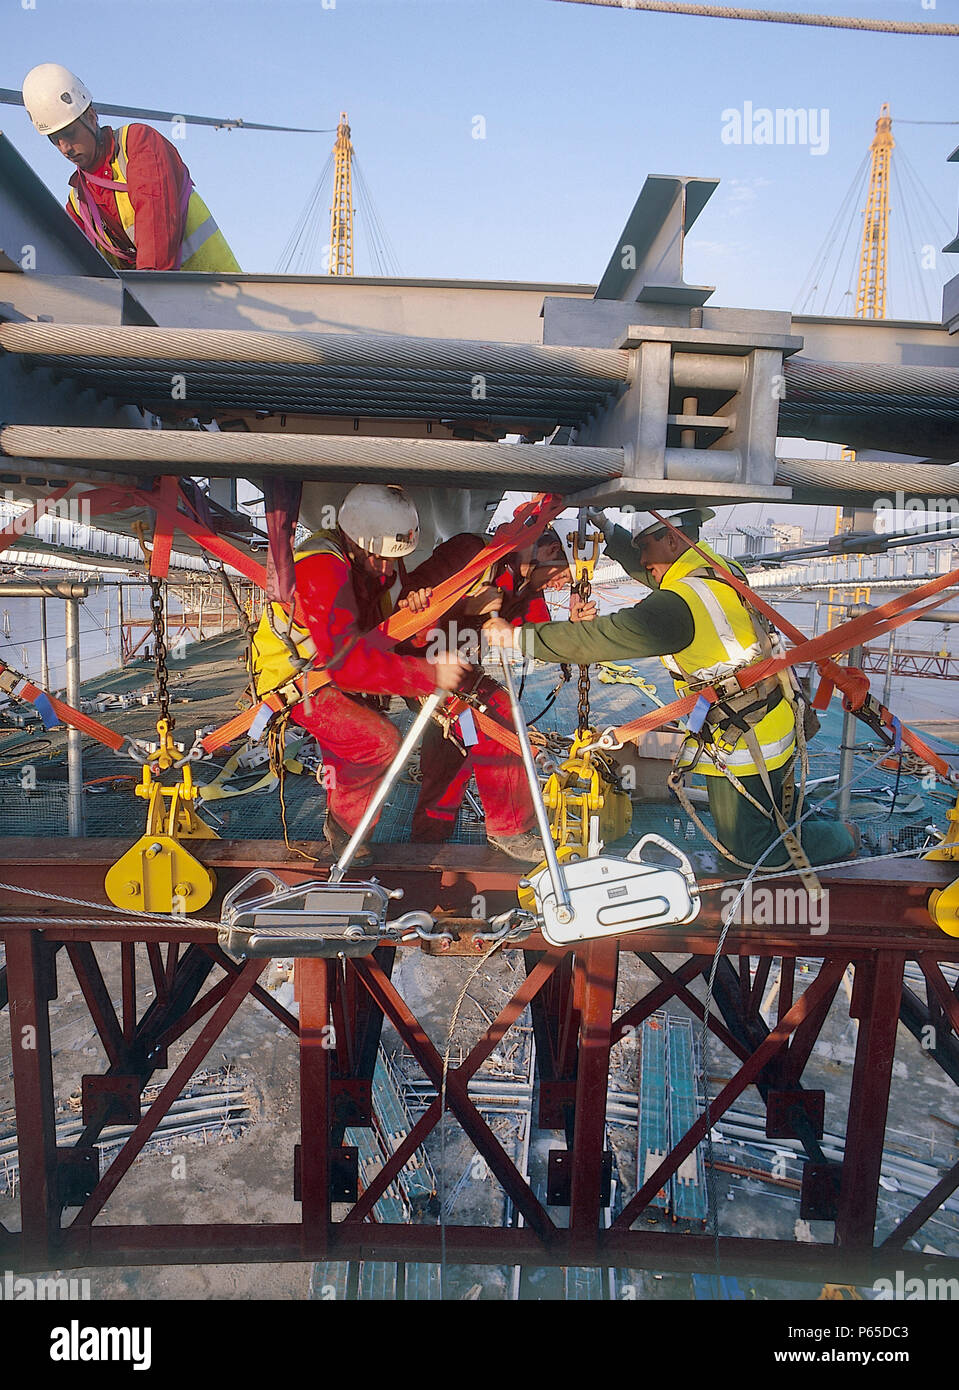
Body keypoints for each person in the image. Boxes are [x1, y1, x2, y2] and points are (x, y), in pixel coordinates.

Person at [484, 508, 857, 874]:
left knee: (751, 849)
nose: (642, 560)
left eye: (645, 546)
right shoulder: (715, 567)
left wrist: (515, 637)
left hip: (747, 741)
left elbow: (601, 637)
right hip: (773, 719)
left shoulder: (679, 605)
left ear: (672, 537)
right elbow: (654, 568)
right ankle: (818, 833)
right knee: (776, 814)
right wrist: (608, 530)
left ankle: (843, 838)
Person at [251, 484, 541, 866]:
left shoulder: (377, 558)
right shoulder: (321, 566)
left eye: (395, 560)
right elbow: (346, 666)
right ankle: (344, 832)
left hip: (361, 662)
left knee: (490, 708)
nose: (389, 570)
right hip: (298, 679)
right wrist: (430, 674)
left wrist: (419, 610)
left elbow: (392, 622)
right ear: (353, 540)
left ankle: (508, 827)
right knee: (375, 741)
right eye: (380, 559)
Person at [399, 527, 574, 849]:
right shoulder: (473, 552)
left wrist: (575, 629)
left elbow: (538, 638)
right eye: (562, 574)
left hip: (452, 668)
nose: (561, 585)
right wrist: (465, 607)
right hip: (414, 665)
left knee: (452, 742)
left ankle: (428, 837)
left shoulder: (525, 587)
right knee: (500, 716)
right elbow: (407, 605)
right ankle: (509, 830)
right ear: (547, 553)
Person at [22, 63, 241, 272]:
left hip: (224, 297)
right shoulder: (80, 202)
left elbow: (155, 232)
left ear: (90, 117)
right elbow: (69, 263)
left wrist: (146, 293)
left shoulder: (138, 144)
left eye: (69, 134)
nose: (65, 148)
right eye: (55, 139)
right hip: (160, 305)